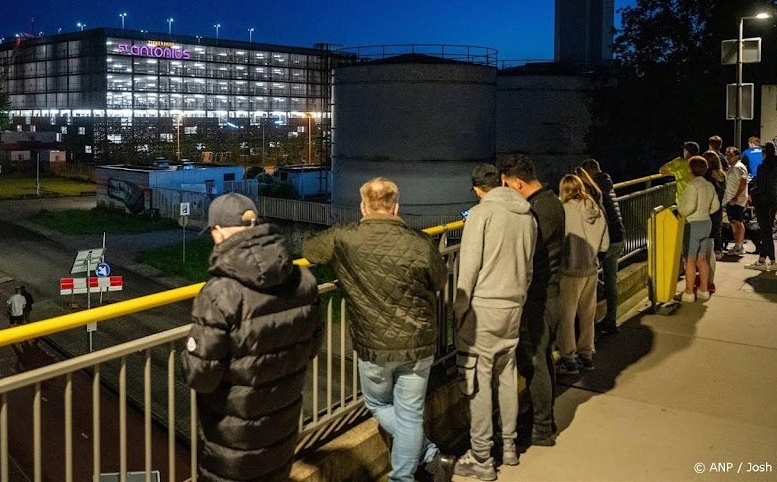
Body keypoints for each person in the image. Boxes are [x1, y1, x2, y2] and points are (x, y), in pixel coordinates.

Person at [303, 179, 455, 482]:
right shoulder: (420, 241)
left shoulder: (344, 238)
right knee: (410, 414)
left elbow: (309, 250)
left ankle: (427, 454)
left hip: (373, 344)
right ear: (396, 206)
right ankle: (413, 466)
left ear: (362, 206)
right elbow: (438, 282)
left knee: (377, 403)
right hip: (419, 343)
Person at [182, 193, 322, 482]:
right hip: (282, 429)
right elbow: (311, 346)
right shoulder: (303, 279)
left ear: (217, 231)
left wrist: (189, 353)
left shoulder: (219, 294)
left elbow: (201, 377)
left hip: (232, 442)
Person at [454, 164, 536, 480]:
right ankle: (511, 447)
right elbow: (528, 269)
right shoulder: (527, 215)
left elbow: (468, 269)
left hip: (484, 311)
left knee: (477, 382)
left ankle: (482, 458)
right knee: (506, 374)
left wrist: (459, 310)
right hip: (514, 306)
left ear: (478, 189)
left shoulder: (480, 214)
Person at [500, 154, 565, 448]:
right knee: (543, 361)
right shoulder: (550, 201)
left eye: (506, 186)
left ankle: (541, 428)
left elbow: (527, 251)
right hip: (549, 294)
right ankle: (544, 420)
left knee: (535, 362)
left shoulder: (540, 209)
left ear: (516, 182)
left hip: (540, 297)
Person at [556, 174, 608, 373]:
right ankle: (586, 354)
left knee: (567, 316)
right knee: (588, 314)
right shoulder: (596, 208)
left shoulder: (563, 211)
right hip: (591, 269)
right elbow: (604, 244)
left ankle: (569, 358)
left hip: (570, 270)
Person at [580, 158, 625, 334]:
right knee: (611, 279)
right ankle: (611, 319)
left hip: (605, 240)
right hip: (618, 236)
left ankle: (589, 323)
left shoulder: (593, 190)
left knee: (587, 277)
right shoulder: (608, 184)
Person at [677, 157, 720, 301]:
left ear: (690, 170)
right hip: (706, 223)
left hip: (693, 224)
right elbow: (715, 207)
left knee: (690, 260)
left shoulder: (691, 186)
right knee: (702, 258)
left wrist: (680, 209)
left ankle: (689, 292)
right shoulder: (709, 185)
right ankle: (704, 290)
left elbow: (688, 208)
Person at [746, 142, 777, 271]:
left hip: (763, 201)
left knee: (765, 232)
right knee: (767, 231)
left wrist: (752, 194)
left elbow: (761, 186)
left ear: (764, 153)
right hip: (774, 199)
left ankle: (772, 261)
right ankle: (763, 260)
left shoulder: (763, 166)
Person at [703, 150, 727, 291]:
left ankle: (706, 282)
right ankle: (710, 279)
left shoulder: (706, 177)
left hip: (706, 212)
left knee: (703, 251)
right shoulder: (721, 175)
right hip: (717, 210)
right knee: (712, 241)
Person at [722, 147, 749, 255]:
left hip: (736, 199)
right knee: (737, 222)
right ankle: (739, 245)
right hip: (734, 198)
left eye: (730, 155)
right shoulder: (733, 167)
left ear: (737, 156)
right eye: (727, 154)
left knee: (736, 222)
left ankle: (738, 247)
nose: (728, 157)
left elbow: (743, 182)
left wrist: (735, 197)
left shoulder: (738, 167)